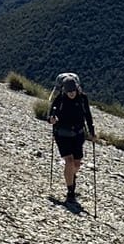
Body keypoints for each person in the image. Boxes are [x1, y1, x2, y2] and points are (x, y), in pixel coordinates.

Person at [47, 72, 96, 202]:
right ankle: (70, 191)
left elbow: (88, 115)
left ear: (77, 88)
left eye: (73, 91)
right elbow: (51, 114)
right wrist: (51, 119)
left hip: (78, 134)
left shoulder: (82, 98)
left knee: (77, 163)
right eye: (69, 91)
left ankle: (71, 176)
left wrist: (92, 132)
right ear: (64, 90)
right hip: (62, 134)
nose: (72, 93)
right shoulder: (60, 99)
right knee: (69, 161)